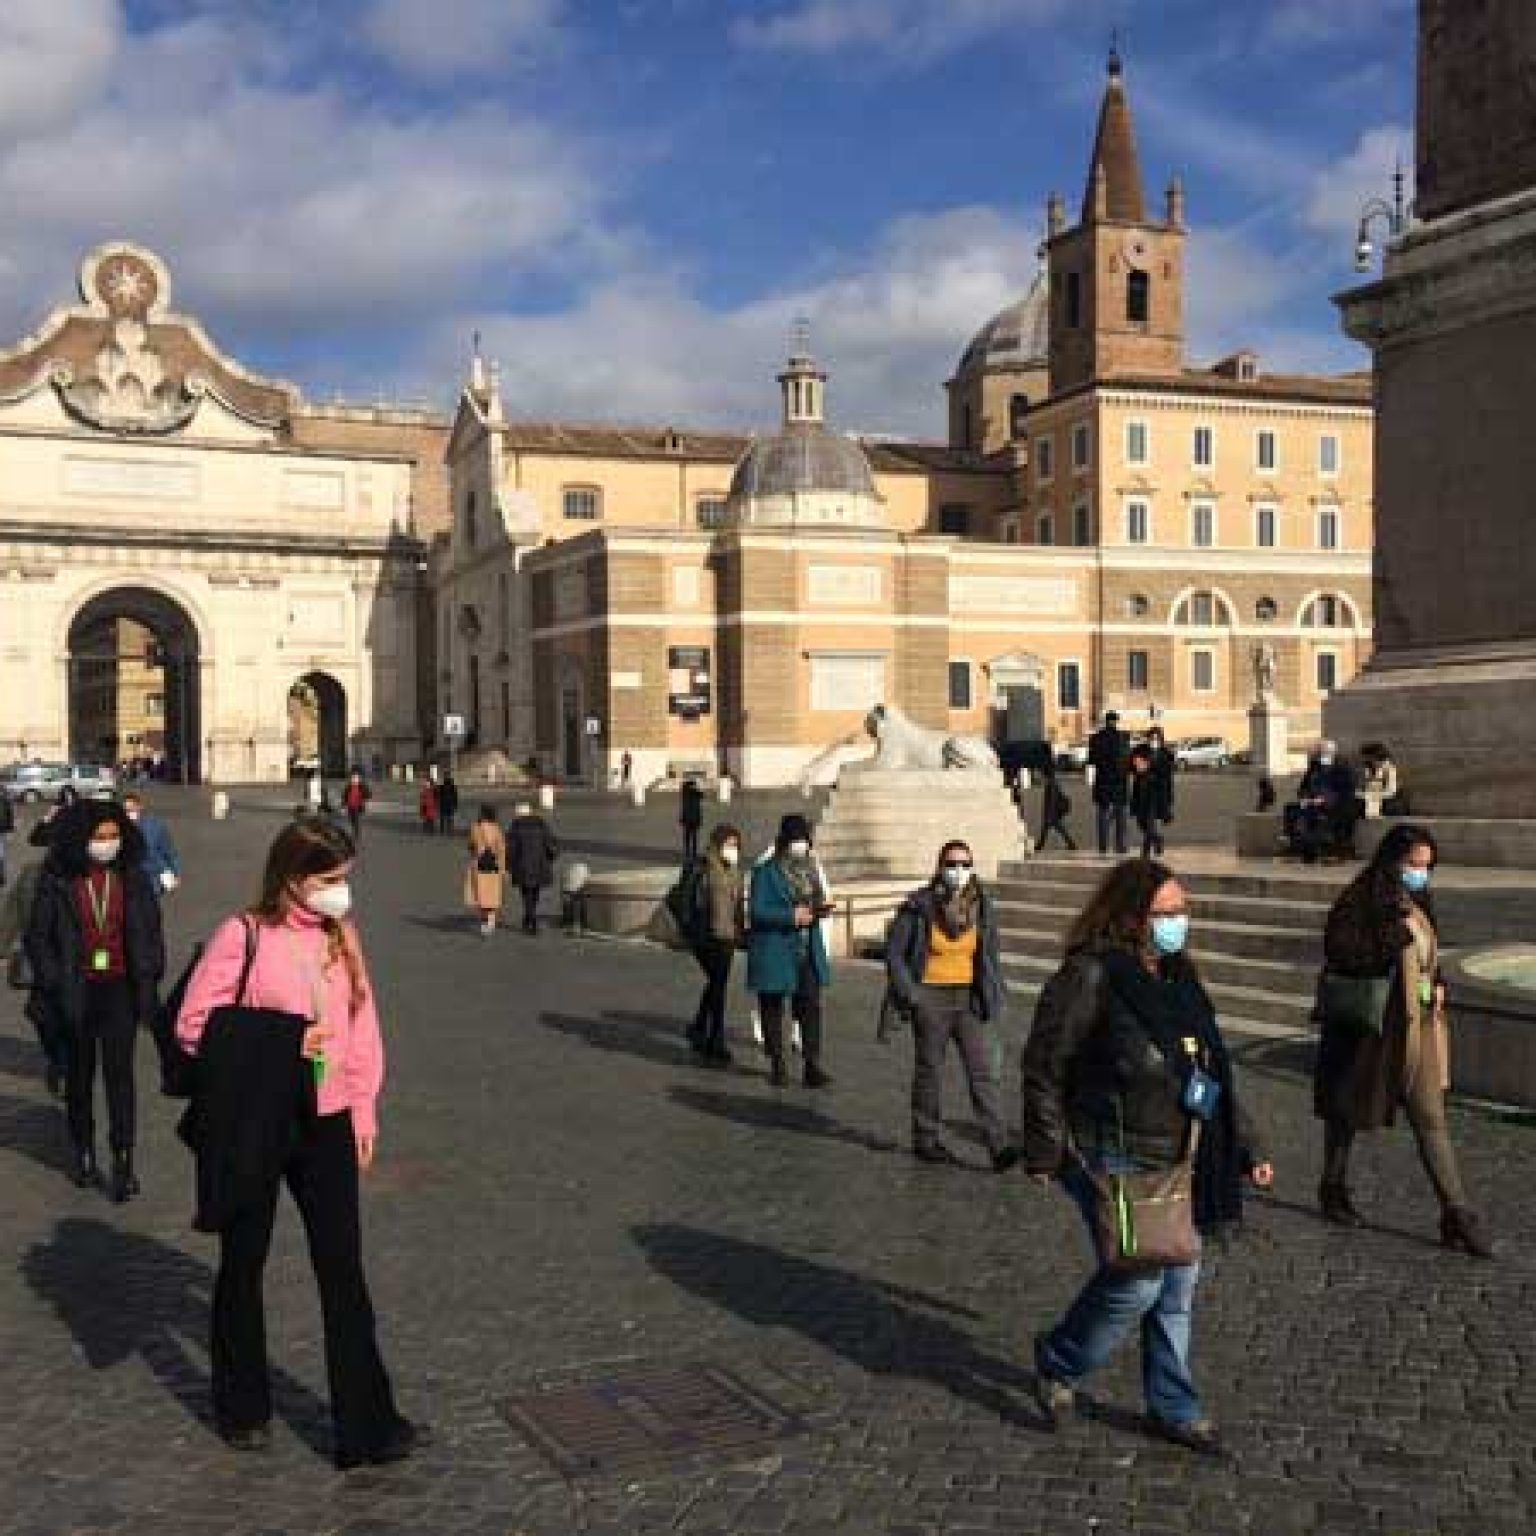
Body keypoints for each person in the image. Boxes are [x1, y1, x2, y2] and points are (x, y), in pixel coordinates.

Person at [176, 818, 424, 1467]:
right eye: (329, 880)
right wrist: (283, 1043)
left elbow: (361, 1026)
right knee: (243, 1264)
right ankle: (243, 1406)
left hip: (329, 1120)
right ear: (292, 878)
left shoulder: (344, 938)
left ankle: (367, 1425)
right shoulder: (244, 935)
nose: (342, 892)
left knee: (343, 1272)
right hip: (258, 1121)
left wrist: (363, 1112)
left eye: (345, 878)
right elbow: (192, 1027)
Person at [1021, 859, 1273, 1456]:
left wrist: (1247, 1144)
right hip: (1114, 1154)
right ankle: (1058, 1359)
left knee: (1178, 1286)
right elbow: (1044, 1064)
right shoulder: (1089, 976)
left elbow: (1212, 1070)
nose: (1176, 923)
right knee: (1137, 1286)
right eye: (1164, 914)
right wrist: (1044, 1150)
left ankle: (1173, 1405)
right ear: (1129, 916)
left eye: (1182, 911)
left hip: (1185, 1153)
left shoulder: (1180, 977)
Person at [1313, 825, 1490, 1256]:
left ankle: (1456, 1213)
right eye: (1413, 864)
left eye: (1427, 866)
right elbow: (1342, 952)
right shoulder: (1360, 901)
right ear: (1392, 861)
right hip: (1375, 1031)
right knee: (1348, 1113)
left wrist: (1440, 981)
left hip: (1421, 1030)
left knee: (1431, 1119)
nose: (1420, 874)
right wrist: (1392, 937)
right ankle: (1333, 1185)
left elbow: (1429, 955)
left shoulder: (1419, 903)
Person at [24, 800, 165, 1200]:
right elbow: (38, 936)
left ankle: (124, 1158)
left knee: (121, 1078)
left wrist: (149, 977)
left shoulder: (132, 877)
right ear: (79, 840)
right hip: (75, 989)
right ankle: (83, 1150)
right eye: (99, 837)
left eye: (113, 836)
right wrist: (52, 981)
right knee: (81, 1079)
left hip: (119, 988)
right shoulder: (57, 879)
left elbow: (150, 931)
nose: (108, 844)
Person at [886, 840, 1016, 1171]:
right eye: (952, 863)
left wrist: (993, 992)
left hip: (968, 996)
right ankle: (925, 1138)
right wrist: (912, 994)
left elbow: (990, 953)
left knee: (982, 1072)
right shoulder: (919, 905)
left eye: (965, 863)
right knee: (929, 1069)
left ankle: (999, 1144)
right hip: (930, 995)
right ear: (940, 866)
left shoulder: (982, 904)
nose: (958, 870)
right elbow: (896, 953)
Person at [747, 814, 832, 1089]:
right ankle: (778, 1064)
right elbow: (757, 912)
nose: (801, 845)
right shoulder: (765, 872)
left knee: (810, 1007)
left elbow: (816, 900)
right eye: (795, 840)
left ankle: (812, 1065)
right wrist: (790, 917)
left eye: (804, 840)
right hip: (775, 948)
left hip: (807, 949)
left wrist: (821, 909)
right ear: (784, 841)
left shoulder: (811, 869)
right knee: (772, 1007)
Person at [688, 824, 745, 1065]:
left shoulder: (734, 870)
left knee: (716, 984)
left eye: (736, 845)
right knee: (718, 987)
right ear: (717, 844)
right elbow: (697, 904)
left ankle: (701, 1027)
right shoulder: (704, 870)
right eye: (728, 844)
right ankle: (716, 1040)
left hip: (728, 936)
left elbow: (738, 903)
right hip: (707, 937)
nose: (732, 849)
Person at [1283, 740, 1359, 863]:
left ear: (1333, 752)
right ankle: (1294, 844)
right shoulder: (1314, 767)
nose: (1320, 754)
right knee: (1291, 809)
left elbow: (1346, 790)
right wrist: (1304, 798)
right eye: (1320, 752)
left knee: (1324, 816)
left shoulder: (1342, 768)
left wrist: (1324, 799)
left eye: (1324, 752)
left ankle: (1318, 849)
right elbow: (1303, 786)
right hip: (1313, 800)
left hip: (1334, 802)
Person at [505, 800, 558, 935]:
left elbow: (511, 849)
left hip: (522, 866)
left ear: (518, 814)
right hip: (540, 865)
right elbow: (551, 845)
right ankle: (529, 917)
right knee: (535, 892)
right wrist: (549, 859)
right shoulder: (541, 825)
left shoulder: (515, 827)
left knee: (526, 893)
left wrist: (508, 865)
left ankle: (531, 918)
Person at [1087, 711, 1130, 856]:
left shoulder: (1095, 738)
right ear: (1116, 721)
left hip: (1103, 782)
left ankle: (1103, 846)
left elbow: (1091, 760)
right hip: (1119, 782)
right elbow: (1127, 760)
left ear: (1106, 721)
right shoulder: (1123, 737)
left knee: (1103, 817)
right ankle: (1121, 846)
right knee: (1120, 817)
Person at [122, 790, 181, 897]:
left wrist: (175, 873)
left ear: (140, 807)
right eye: (126, 810)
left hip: (153, 882)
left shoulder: (155, 826)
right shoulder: (118, 829)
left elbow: (169, 851)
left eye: (132, 809)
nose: (129, 813)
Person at [465, 805, 506, 936]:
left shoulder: (475, 828)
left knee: (480, 895)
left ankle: (484, 922)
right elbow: (501, 849)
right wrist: (503, 867)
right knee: (492, 896)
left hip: (478, 864)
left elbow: (471, 845)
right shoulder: (496, 829)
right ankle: (491, 922)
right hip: (493, 865)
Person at [1358, 743, 1407, 820]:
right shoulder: (1369, 769)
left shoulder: (1390, 769)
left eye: (1368, 759)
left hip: (1390, 804)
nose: (1365, 761)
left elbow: (1391, 792)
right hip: (1374, 801)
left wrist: (1370, 795)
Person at [1035, 766, 1077, 852]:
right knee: (1055, 828)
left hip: (1052, 812)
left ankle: (1040, 845)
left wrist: (1048, 813)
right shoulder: (1052, 783)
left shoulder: (1051, 785)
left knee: (1054, 828)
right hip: (1052, 812)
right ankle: (1040, 844)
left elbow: (1051, 800)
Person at [679, 777, 704, 864]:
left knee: (687, 836)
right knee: (693, 837)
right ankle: (693, 854)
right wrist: (698, 787)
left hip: (687, 818)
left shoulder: (684, 793)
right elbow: (702, 795)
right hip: (694, 818)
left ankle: (687, 853)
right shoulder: (695, 793)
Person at [342, 771, 371, 842]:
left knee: (357, 821)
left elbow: (368, 794)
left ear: (358, 779)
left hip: (358, 807)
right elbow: (345, 796)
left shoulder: (362, 786)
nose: (354, 779)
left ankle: (356, 835)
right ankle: (355, 833)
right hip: (350, 806)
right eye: (353, 778)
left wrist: (364, 799)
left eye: (355, 778)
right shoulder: (348, 787)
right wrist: (343, 804)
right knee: (352, 821)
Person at [436, 772, 460, 837]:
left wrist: (455, 805)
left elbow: (455, 796)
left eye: (447, 776)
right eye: (446, 776)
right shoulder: (442, 786)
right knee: (443, 818)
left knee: (449, 818)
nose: (446, 777)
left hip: (449, 804)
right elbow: (439, 795)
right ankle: (443, 830)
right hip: (444, 804)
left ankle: (448, 830)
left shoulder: (452, 787)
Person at [0, 787, 12, 887]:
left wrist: (9, 830)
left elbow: (9, 814)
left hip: (1, 830)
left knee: (1, 855)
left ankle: (2, 877)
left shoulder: (4, 797)